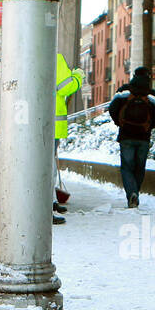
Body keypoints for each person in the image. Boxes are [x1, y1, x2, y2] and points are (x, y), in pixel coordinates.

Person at [108, 66, 155, 207]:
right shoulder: (151, 94)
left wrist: (120, 123)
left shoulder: (124, 91)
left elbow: (112, 109)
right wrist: (148, 126)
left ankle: (131, 193)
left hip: (126, 136)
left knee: (127, 167)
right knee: (139, 167)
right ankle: (135, 193)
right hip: (143, 138)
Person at [54, 52, 85, 225]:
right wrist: (77, 76)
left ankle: (50, 202)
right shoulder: (54, 56)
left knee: (43, 167)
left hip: (32, 123)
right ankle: (45, 207)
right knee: (47, 168)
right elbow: (65, 86)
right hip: (51, 124)